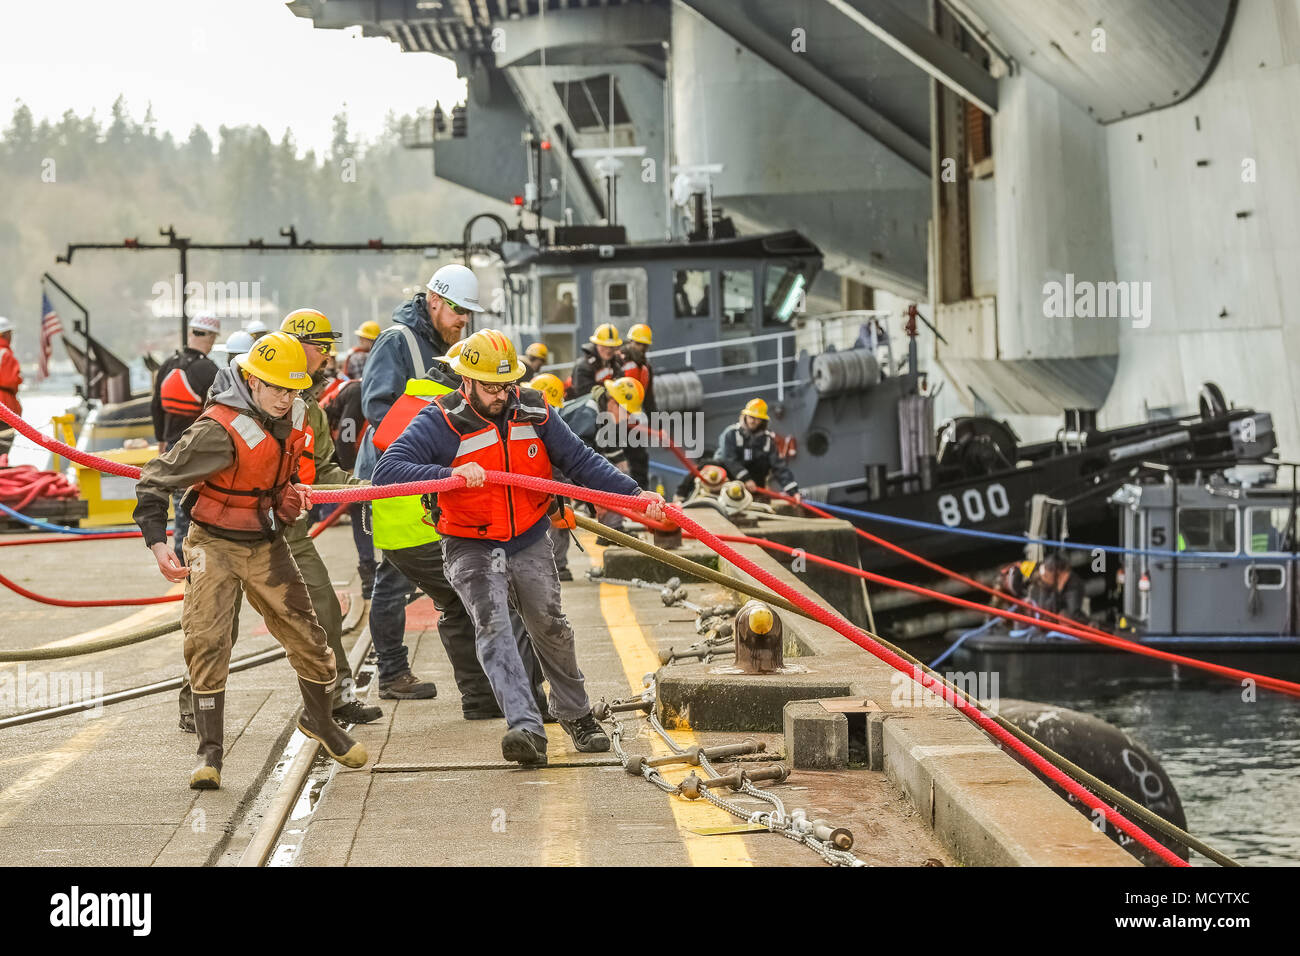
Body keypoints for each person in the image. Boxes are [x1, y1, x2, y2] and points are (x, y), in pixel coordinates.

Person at [374, 329, 667, 766]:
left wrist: (634, 495)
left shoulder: (534, 409)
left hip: (528, 537)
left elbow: (580, 460)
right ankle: (525, 728)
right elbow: (387, 471)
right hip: (469, 542)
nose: (501, 394)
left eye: (507, 384)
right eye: (491, 386)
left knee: (549, 625)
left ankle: (576, 713)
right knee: (496, 629)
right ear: (466, 380)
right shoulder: (441, 419)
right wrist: (449, 472)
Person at [133, 332, 366, 789]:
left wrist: (287, 496)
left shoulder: (299, 413)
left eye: (292, 388)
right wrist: (158, 544)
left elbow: (291, 471)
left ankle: (320, 721)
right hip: (212, 545)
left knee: (309, 633)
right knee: (209, 639)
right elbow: (153, 479)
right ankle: (210, 753)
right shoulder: (216, 430)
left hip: (265, 542)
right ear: (252, 381)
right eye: (276, 387)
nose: (285, 397)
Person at [357, 263, 490, 701]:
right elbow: (380, 411)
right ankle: (393, 673)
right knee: (393, 578)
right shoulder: (399, 342)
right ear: (434, 300)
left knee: (428, 575)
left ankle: (435, 678)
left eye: (468, 314)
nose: (463, 320)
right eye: (458, 311)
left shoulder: (446, 345)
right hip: (399, 479)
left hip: (433, 477)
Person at [151, 312, 222, 564]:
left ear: (191, 333)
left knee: (179, 505)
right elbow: (220, 412)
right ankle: (194, 559)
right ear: (212, 337)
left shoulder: (168, 364)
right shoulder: (210, 370)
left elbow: (156, 407)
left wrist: (161, 441)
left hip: (171, 444)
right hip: (199, 448)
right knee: (198, 505)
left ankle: (179, 557)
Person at [715, 398, 799, 499]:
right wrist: (745, 479)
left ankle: (758, 500)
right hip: (727, 483)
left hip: (754, 488)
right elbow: (728, 458)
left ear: (762, 421)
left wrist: (793, 491)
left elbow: (779, 467)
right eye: (751, 417)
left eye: (757, 418)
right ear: (745, 416)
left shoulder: (767, 441)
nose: (753, 421)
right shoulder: (731, 434)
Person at [618, 323, 655, 487]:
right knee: (615, 460)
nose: (640, 348)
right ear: (630, 342)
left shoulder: (646, 367)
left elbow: (649, 398)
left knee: (639, 460)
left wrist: (658, 425)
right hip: (615, 420)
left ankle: (642, 499)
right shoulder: (618, 362)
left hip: (634, 422)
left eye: (644, 345)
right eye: (637, 343)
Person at [1031, 552, 1088, 625]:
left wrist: (1058, 591)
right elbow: (1044, 611)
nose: (1043, 576)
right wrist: (1057, 591)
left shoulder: (1073, 586)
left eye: (1046, 575)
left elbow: (1073, 616)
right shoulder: (1046, 583)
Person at [569, 323, 623, 398]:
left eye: (611, 347)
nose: (608, 350)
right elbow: (584, 395)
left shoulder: (616, 365)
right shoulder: (582, 367)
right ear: (596, 344)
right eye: (604, 345)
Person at [0, 317, 22, 419]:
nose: (11, 337)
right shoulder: (5, 354)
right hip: (4, 409)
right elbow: (11, 380)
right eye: (9, 333)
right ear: (3, 334)